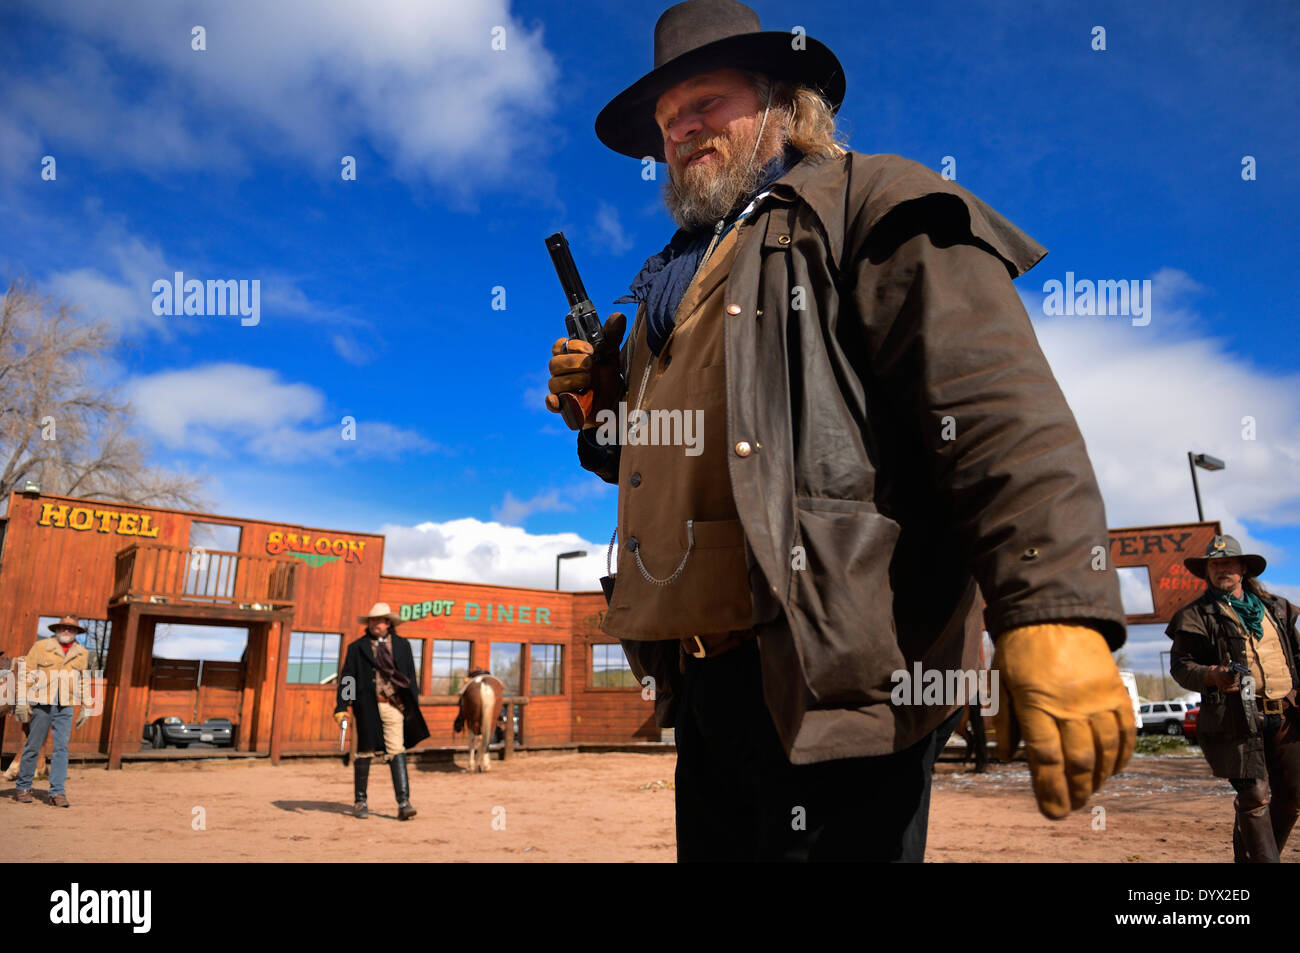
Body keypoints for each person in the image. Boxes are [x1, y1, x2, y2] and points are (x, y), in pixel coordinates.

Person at [546, 0, 1135, 860]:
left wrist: (1052, 609)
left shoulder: (871, 202)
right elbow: (683, 458)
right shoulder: (670, 281)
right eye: (668, 123)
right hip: (704, 681)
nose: (680, 131)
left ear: (785, 105)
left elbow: (992, 407)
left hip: (838, 675)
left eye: (704, 103)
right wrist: (604, 411)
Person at [1167, 535, 1300, 862]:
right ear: (1207, 572)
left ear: (1242, 568)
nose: (1221, 569)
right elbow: (1181, 667)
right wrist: (1212, 675)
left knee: (1294, 797)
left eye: (1228, 563)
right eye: (1215, 564)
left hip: (1286, 713)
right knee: (1254, 797)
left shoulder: (1277, 609)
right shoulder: (1196, 615)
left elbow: (1296, 655)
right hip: (1235, 718)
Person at [333, 603, 428, 820]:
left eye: (381, 620)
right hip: (366, 706)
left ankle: (404, 803)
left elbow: (411, 678)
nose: (376, 624)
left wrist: (411, 705)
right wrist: (342, 706)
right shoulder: (357, 648)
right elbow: (348, 679)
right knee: (365, 751)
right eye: (372, 620)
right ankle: (360, 802)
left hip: (394, 705)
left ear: (389, 623)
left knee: (397, 749)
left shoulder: (403, 646)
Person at [13, 617, 91, 807]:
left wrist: (87, 706)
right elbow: (27, 672)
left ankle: (57, 792)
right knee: (33, 745)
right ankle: (23, 786)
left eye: (70, 628)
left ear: (76, 632)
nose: (66, 630)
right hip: (42, 703)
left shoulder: (82, 653)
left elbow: (83, 680)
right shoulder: (41, 646)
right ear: (57, 629)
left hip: (66, 705)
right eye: (63, 627)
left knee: (61, 749)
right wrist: (22, 701)